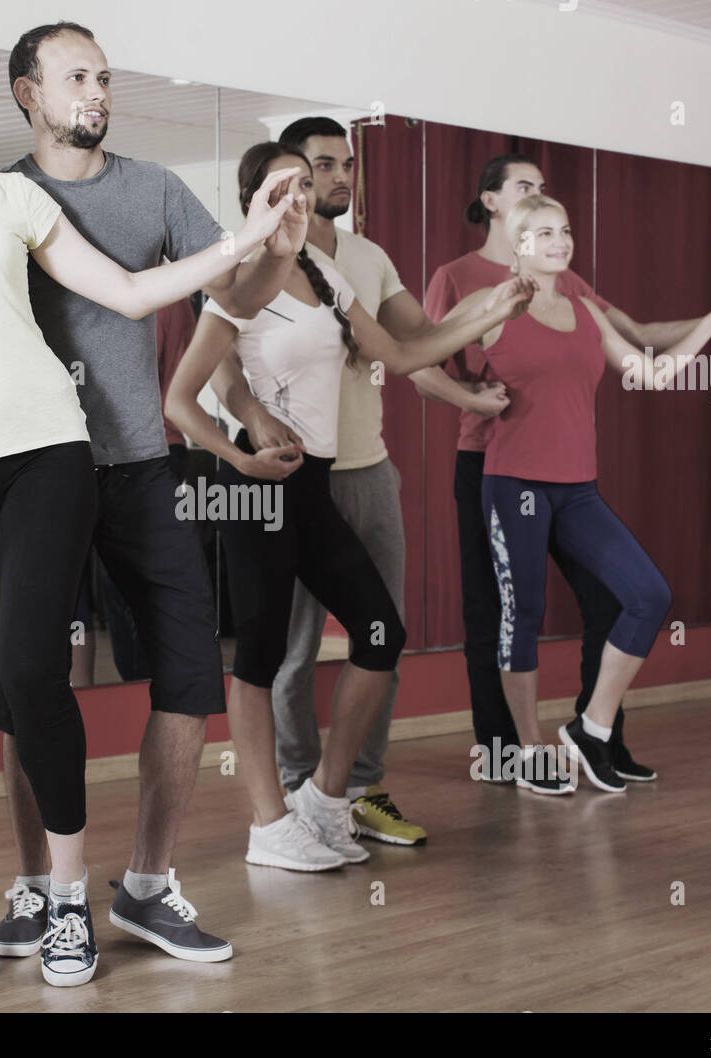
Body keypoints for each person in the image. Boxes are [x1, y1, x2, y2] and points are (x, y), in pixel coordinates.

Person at [0, 29, 299, 990]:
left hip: (51, 450)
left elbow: (127, 291)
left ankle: (73, 899)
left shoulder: (15, 198)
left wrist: (244, 237)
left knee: (34, 673)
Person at [0, 22, 307, 967]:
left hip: (137, 468)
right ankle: (44, 890)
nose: (97, 91)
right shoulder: (0, 198)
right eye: (75, 76)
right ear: (28, 94)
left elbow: (233, 294)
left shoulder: (155, 189)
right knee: (28, 690)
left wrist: (277, 249)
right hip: (30, 469)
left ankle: (146, 886)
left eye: (105, 77)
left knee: (190, 674)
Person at [166, 141, 535, 868]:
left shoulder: (325, 274)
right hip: (257, 491)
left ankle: (326, 800)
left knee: (379, 634)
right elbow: (180, 400)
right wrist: (240, 456)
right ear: (255, 202)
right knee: (262, 656)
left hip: (316, 486)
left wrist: (493, 308)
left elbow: (399, 356)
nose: (302, 198)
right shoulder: (236, 283)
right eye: (285, 188)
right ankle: (269, 826)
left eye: (308, 185)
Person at [426, 154, 711, 789]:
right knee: (518, 614)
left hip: (577, 488)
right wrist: (472, 399)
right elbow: (418, 362)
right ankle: (526, 751)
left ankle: (593, 727)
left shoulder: (583, 308)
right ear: (518, 247)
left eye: (566, 231)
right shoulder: (489, 301)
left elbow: (651, 371)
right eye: (544, 233)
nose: (560, 242)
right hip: (513, 483)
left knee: (647, 595)